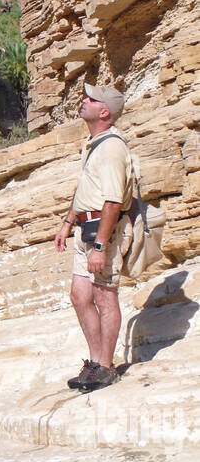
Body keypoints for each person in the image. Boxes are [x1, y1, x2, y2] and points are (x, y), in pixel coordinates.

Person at [55, 83, 133, 392]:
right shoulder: (94, 143)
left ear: (105, 112)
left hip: (103, 232)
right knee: (80, 296)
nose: (83, 101)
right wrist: (66, 224)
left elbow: (113, 201)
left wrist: (100, 247)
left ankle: (105, 366)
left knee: (104, 295)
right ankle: (94, 362)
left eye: (91, 99)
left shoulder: (113, 147)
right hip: (83, 229)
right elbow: (84, 190)